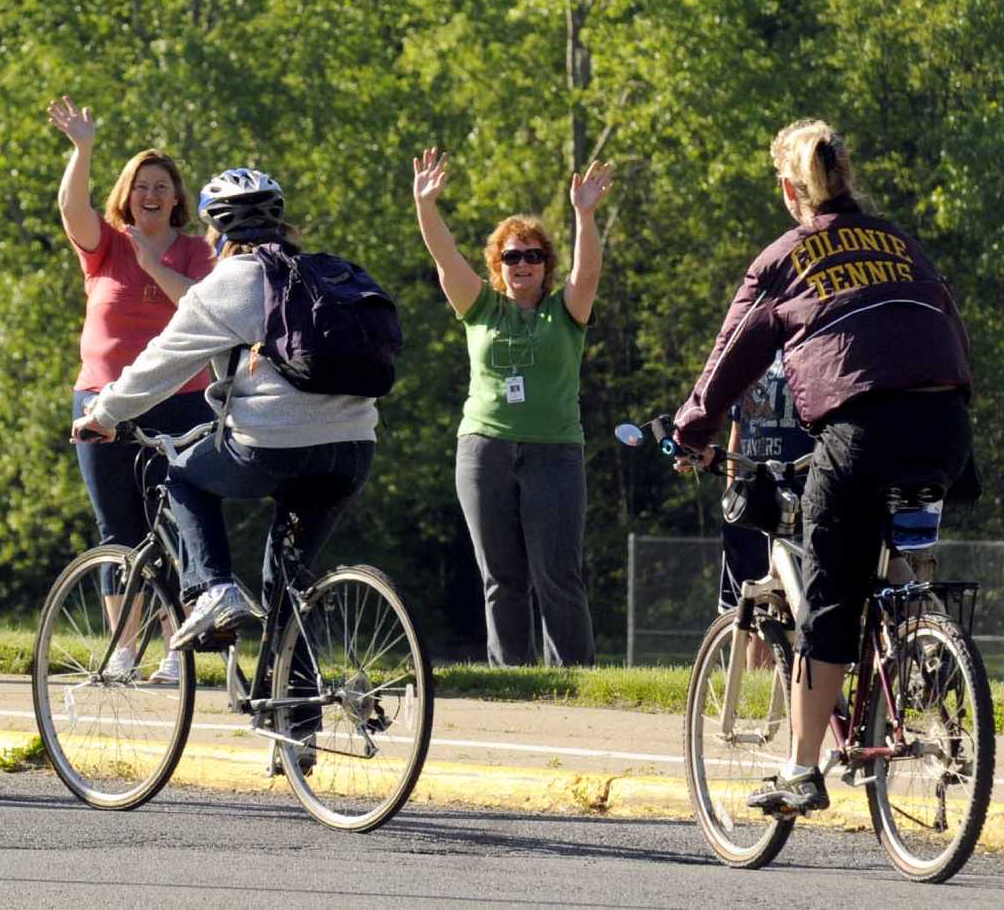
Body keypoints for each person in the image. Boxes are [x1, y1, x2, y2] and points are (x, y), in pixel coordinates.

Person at [670, 118, 972, 817]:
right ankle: (918, 659)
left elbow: (730, 360)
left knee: (831, 591)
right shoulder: (899, 241)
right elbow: (947, 322)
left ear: (788, 187)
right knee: (891, 557)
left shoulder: (785, 256)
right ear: (846, 175)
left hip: (863, 430)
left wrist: (691, 430)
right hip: (948, 427)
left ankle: (801, 769)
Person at [72, 167, 377, 664]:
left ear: (218, 231)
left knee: (182, 475)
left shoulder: (229, 282)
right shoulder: (330, 271)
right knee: (288, 586)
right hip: (353, 448)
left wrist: (102, 414)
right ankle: (295, 727)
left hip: (273, 445)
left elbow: (161, 363)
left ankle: (213, 590)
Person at [411, 147, 614, 667]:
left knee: (557, 575)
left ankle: (576, 680)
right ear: (497, 267)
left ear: (547, 266)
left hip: (555, 452)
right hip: (484, 449)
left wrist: (583, 215)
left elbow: (587, 274)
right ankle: (512, 681)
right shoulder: (478, 306)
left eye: (533, 256)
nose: (522, 264)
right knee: (501, 578)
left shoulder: (564, 311)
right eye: (511, 256)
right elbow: (443, 255)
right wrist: (427, 206)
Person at [47, 97, 214, 682]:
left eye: (162, 186)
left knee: (171, 520)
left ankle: (175, 647)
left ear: (176, 198)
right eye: (142, 185)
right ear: (128, 193)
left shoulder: (197, 252)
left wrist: (155, 260)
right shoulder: (106, 246)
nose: (151, 194)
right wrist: (83, 149)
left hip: (181, 403)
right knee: (118, 529)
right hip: (100, 401)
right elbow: (72, 209)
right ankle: (122, 646)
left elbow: (199, 308)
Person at [720, 352, 811, 668]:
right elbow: (737, 430)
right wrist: (732, 490)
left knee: (797, 603)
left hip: (798, 497)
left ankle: (791, 683)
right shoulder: (752, 350)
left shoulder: (811, 346)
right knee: (749, 605)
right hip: (752, 499)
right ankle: (749, 685)